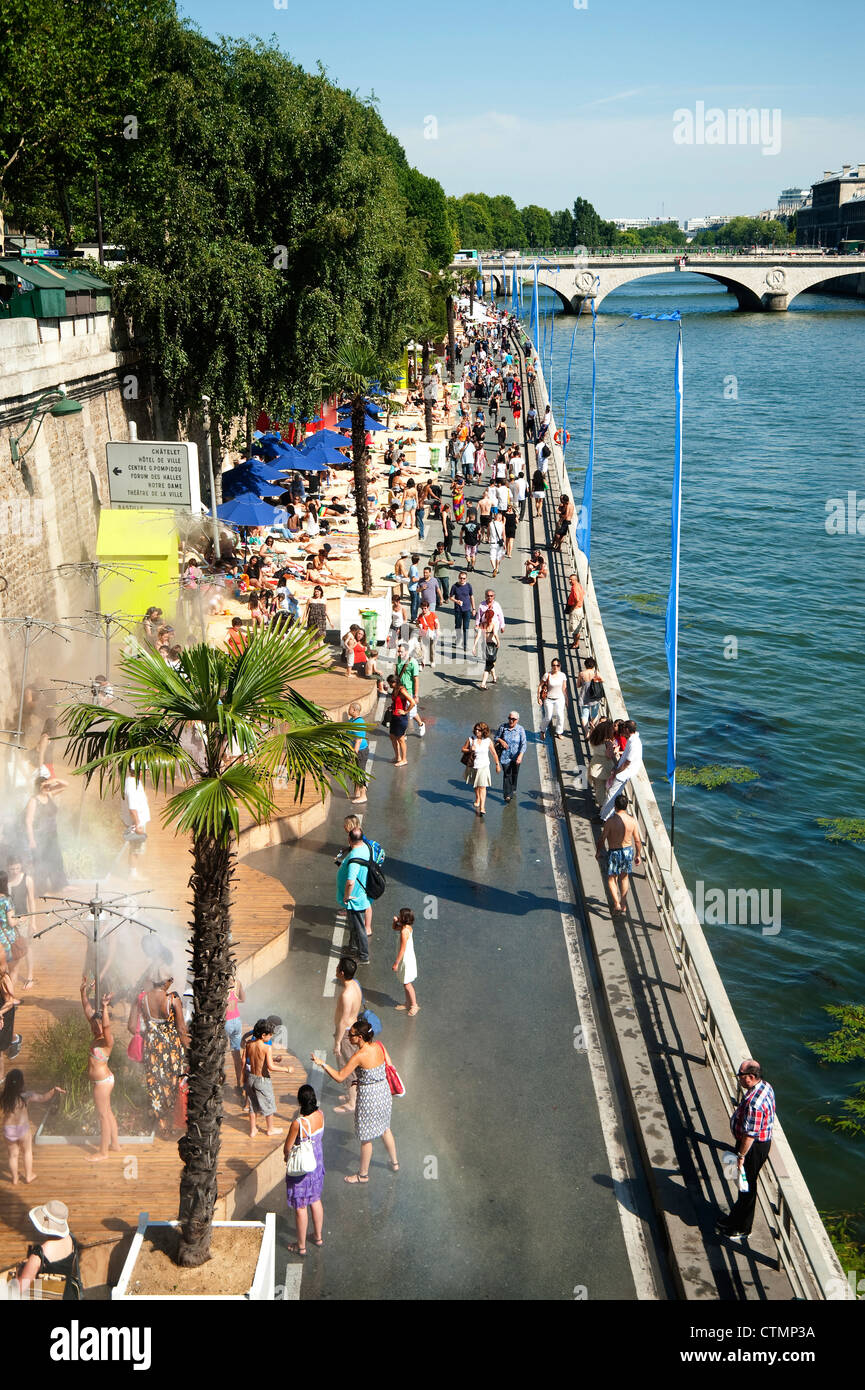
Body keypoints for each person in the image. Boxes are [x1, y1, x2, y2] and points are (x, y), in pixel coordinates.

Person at [311, 1020, 399, 1184]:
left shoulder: (359, 1056)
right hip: (384, 1093)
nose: (348, 1037)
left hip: (369, 1098)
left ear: (359, 1037)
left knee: (366, 1139)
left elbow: (339, 1076)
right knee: (385, 1129)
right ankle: (394, 1163)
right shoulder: (379, 1046)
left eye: (351, 1034)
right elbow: (388, 1065)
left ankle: (362, 1175)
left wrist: (322, 1063)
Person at [716, 1060, 776, 1243]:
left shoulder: (755, 1104)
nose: (738, 1079)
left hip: (752, 1148)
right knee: (745, 1184)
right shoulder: (765, 1087)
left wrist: (741, 1156)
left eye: (740, 1076)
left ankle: (741, 1227)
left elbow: (750, 1135)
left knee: (746, 1186)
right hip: (755, 1144)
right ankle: (735, 1218)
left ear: (751, 1077)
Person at [128, 973, 189, 1135]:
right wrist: (190, 1047)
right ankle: (174, 1122)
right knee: (173, 1083)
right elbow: (182, 1029)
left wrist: (150, 1032)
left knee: (155, 1085)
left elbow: (131, 1026)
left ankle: (162, 1126)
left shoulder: (141, 999)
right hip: (172, 1050)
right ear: (167, 982)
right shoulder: (173, 1000)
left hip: (152, 1048)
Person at [283, 1083, 325, 1255]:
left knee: (301, 1207)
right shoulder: (321, 1115)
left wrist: (287, 1158)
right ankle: (318, 1236)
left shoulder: (298, 1123)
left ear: (300, 1102)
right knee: (315, 1200)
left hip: (302, 1169)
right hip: (317, 1164)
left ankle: (300, 1246)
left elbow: (287, 1147)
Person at [79, 977, 119, 1161]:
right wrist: (83, 992)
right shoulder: (97, 1035)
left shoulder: (106, 1040)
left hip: (102, 1082)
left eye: (98, 1026)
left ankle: (103, 1152)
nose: (95, 1028)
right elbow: (88, 1010)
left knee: (102, 1115)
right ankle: (115, 1144)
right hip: (104, 1079)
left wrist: (104, 1008)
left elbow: (107, 1025)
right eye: (93, 1026)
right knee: (108, 1111)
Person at [1, 1069, 64, 1185]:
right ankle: (28, 1176)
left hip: (8, 1130)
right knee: (27, 1152)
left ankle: (14, 1178)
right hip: (22, 1129)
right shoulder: (26, 1096)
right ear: (22, 1083)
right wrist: (54, 1090)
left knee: (13, 1155)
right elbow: (42, 1098)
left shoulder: (4, 1098)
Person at [16, 1201, 81, 1300]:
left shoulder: (40, 1253)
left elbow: (21, 1287)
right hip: (68, 1295)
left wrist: (18, 1273)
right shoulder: (70, 1239)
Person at [596, 793, 643, 915]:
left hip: (614, 851)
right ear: (626, 806)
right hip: (628, 851)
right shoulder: (632, 821)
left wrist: (598, 852)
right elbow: (637, 840)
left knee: (612, 878)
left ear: (615, 806)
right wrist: (638, 855)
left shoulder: (610, 822)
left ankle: (616, 904)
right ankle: (623, 903)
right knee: (624, 877)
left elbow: (602, 839)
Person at [242, 1019, 290, 1138]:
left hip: (251, 1077)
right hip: (262, 1080)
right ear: (263, 1035)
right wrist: (286, 1069)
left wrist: (243, 1076)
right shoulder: (266, 1047)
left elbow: (244, 1061)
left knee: (252, 1105)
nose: (271, 1037)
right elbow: (270, 1067)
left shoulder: (248, 1044)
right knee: (269, 1105)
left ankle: (253, 1130)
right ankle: (270, 1129)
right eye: (270, 1035)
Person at [24, 774, 67, 895]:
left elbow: (65, 785)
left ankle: (59, 886)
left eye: (48, 786)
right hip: (40, 836)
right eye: (44, 786)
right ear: (38, 787)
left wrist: (53, 781)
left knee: (56, 859)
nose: (47, 788)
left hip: (52, 835)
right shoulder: (34, 800)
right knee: (41, 862)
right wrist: (31, 839)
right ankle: (41, 890)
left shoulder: (50, 795)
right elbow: (28, 821)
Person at [337, 827, 373, 963]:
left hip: (355, 898)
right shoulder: (365, 847)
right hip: (358, 896)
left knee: (359, 928)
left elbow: (351, 881)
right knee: (353, 925)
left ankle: (363, 956)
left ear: (349, 839)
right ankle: (352, 947)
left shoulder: (355, 857)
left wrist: (346, 896)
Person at [332, 956, 363, 1114]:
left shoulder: (346, 995)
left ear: (342, 972)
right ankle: (351, 1094)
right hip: (354, 1029)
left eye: (337, 967)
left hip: (346, 1034)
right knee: (349, 1065)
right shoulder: (355, 985)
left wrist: (337, 1042)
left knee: (347, 1068)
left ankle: (352, 1102)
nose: (336, 970)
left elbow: (343, 1021)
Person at [601, 720, 642, 820]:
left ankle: (604, 817)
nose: (622, 731)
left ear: (627, 729)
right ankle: (607, 814)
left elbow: (627, 762)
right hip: (623, 771)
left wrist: (616, 771)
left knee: (612, 794)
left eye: (623, 728)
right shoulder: (633, 740)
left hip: (624, 773)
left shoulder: (633, 743)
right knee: (613, 793)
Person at [5, 858, 35, 989]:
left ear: (21, 866)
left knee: (27, 947)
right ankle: (10, 974)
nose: (15, 871)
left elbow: (32, 901)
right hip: (9, 920)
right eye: (12, 869)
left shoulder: (27, 879)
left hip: (23, 919)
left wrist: (33, 921)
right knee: (10, 946)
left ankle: (30, 977)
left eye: (17, 868)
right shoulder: (5, 881)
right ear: (8, 868)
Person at [463, 721, 500, 817]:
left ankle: (482, 807)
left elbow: (494, 753)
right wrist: (470, 749)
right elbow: (463, 749)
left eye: (478, 730)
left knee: (483, 786)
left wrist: (497, 764)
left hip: (484, 767)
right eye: (475, 729)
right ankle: (477, 798)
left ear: (483, 731)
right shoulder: (471, 740)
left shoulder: (487, 741)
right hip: (473, 766)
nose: (476, 731)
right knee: (476, 786)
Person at [494, 711, 527, 804]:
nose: (511, 721)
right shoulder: (503, 727)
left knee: (514, 773)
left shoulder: (520, 729)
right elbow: (495, 737)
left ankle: (513, 788)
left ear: (517, 720)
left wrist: (520, 756)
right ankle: (507, 795)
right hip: (505, 756)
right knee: (507, 774)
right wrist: (501, 741)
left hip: (516, 756)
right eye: (510, 718)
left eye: (513, 719)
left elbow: (523, 744)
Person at [395, 643, 426, 737]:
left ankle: (421, 724)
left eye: (401, 651)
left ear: (407, 651)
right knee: (400, 710)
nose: (399, 653)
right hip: (400, 690)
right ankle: (403, 733)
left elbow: (416, 679)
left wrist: (416, 695)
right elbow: (396, 673)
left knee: (411, 713)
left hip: (409, 691)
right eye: (399, 651)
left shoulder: (413, 663)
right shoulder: (398, 659)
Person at [392, 908, 419, 1015]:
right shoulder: (407, 927)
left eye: (399, 915)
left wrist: (396, 963)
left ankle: (414, 1005)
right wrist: (395, 921)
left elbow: (402, 949)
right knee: (405, 982)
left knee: (407, 984)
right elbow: (394, 928)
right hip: (407, 958)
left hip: (405, 960)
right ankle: (408, 1003)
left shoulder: (404, 931)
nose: (398, 916)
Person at [587, 719, 617, 806]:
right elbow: (609, 755)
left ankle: (601, 804)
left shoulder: (594, 738)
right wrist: (616, 751)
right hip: (605, 768)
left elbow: (595, 731)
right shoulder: (608, 743)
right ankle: (604, 808)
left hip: (594, 765)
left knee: (599, 789)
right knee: (608, 789)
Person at [224, 973, 246, 1092]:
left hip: (226, 1022)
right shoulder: (237, 983)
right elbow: (243, 999)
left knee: (219, 1052)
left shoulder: (222, 985)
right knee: (236, 1055)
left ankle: (219, 1081)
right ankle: (239, 1083)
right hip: (237, 1021)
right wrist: (234, 999)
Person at [387, 679, 416, 767]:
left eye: (391, 683)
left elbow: (412, 702)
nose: (390, 685)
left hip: (400, 718)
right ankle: (397, 757)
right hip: (394, 716)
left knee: (401, 739)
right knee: (392, 736)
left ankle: (404, 759)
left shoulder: (402, 690)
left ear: (395, 682)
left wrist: (406, 711)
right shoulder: (395, 689)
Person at [346, 702, 369, 804]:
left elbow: (358, 741)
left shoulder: (358, 722)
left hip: (360, 751)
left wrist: (353, 754)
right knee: (356, 772)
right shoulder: (352, 720)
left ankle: (363, 795)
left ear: (355, 710)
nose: (348, 710)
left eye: (350, 709)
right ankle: (357, 792)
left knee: (360, 772)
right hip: (355, 750)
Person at [539, 658, 569, 739]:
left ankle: (559, 732)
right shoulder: (547, 675)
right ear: (551, 666)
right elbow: (540, 686)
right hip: (548, 699)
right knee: (548, 717)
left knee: (561, 716)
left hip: (559, 698)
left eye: (557, 665)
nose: (555, 667)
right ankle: (542, 730)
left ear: (560, 666)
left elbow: (564, 688)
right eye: (554, 665)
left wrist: (566, 698)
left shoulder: (563, 675)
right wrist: (538, 697)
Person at [449, 571, 476, 655]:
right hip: (458, 610)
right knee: (458, 626)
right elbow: (450, 597)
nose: (462, 580)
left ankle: (465, 644)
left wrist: (474, 608)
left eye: (464, 578)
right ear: (458, 578)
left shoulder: (468, 586)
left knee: (466, 628)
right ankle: (458, 639)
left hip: (467, 610)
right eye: (461, 578)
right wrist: (456, 601)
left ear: (466, 579)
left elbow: (471, 596)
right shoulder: (455, 586)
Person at [576, 656, 603, 727]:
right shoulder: (596, 673)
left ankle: (587, 734)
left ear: (585, 665)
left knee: (584, 715)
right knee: (595, 714)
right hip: (595, 696)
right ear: (594, 665)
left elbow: (578, 685)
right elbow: (602, 680)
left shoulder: (581, 674)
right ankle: (592, 727)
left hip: (585, 697)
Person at [477, 608, 500, 689]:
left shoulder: (482, 624)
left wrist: (474, 646)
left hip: (484, 646)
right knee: (489, 664)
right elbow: (495, 634)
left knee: (490, 662)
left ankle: (494, 678)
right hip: (492, 646)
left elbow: (478, 635)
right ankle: (483, 684)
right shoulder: (492, 624)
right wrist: (498, 642)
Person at [416, 599, 440, 669]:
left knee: (432, 648)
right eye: (422, 608)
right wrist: (418, 625)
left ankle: (432, 661)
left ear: (428, 607)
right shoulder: (420, 616)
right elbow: (417, 624)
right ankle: (422, 663)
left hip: (432, 634)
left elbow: (437, 623)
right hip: (423, 634)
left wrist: (437, 631)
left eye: (425, 608)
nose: (424, 610)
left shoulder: (432, 615)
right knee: (422, 649)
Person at [566, 573, 585, 645]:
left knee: (574, 629)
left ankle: (575, 644)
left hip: (575, 610)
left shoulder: (574, 588)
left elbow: (576, 599)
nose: (570, 581)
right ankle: (575, 643)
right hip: (579, 609)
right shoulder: (579, 585)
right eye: (569, 579)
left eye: (571, 580)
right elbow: (583, 594)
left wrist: (572, 608)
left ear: (575, 580)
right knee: (576, 628)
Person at [487, 509, 505, 578]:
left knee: (492, 556)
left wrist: (488, 538)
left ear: (495, 517)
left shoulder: (490, 523)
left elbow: (488, 532)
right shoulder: (502, 524)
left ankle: (494, 568)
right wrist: (505, 544)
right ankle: (497, 568)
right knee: (498, 556)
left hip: (492, 542)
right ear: (500, 518)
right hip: (499, 543)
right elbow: (504, 535)